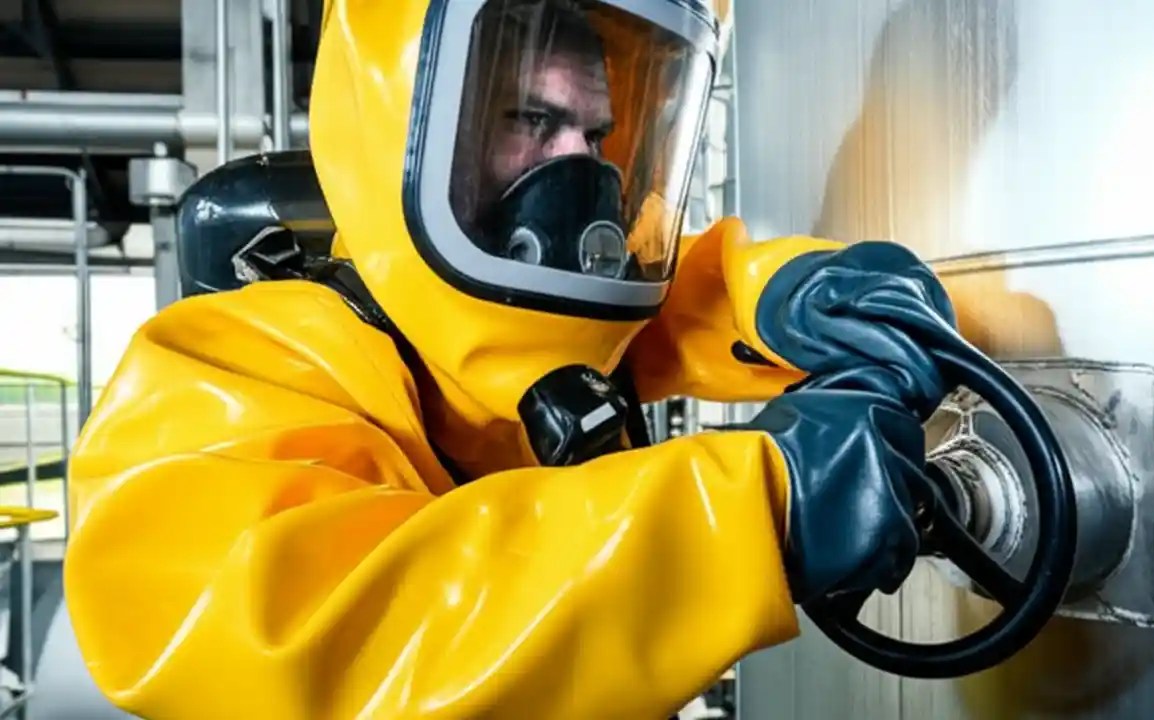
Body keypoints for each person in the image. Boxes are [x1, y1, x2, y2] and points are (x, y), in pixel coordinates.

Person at [62, 0, 962, 717]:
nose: (580, 172)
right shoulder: (225, 372)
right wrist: (752, 510)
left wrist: (794, 294)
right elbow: (328, 641)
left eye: (597, 136)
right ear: (408, 130)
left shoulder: (547, 326)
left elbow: (674, 297)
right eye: (532, 121)